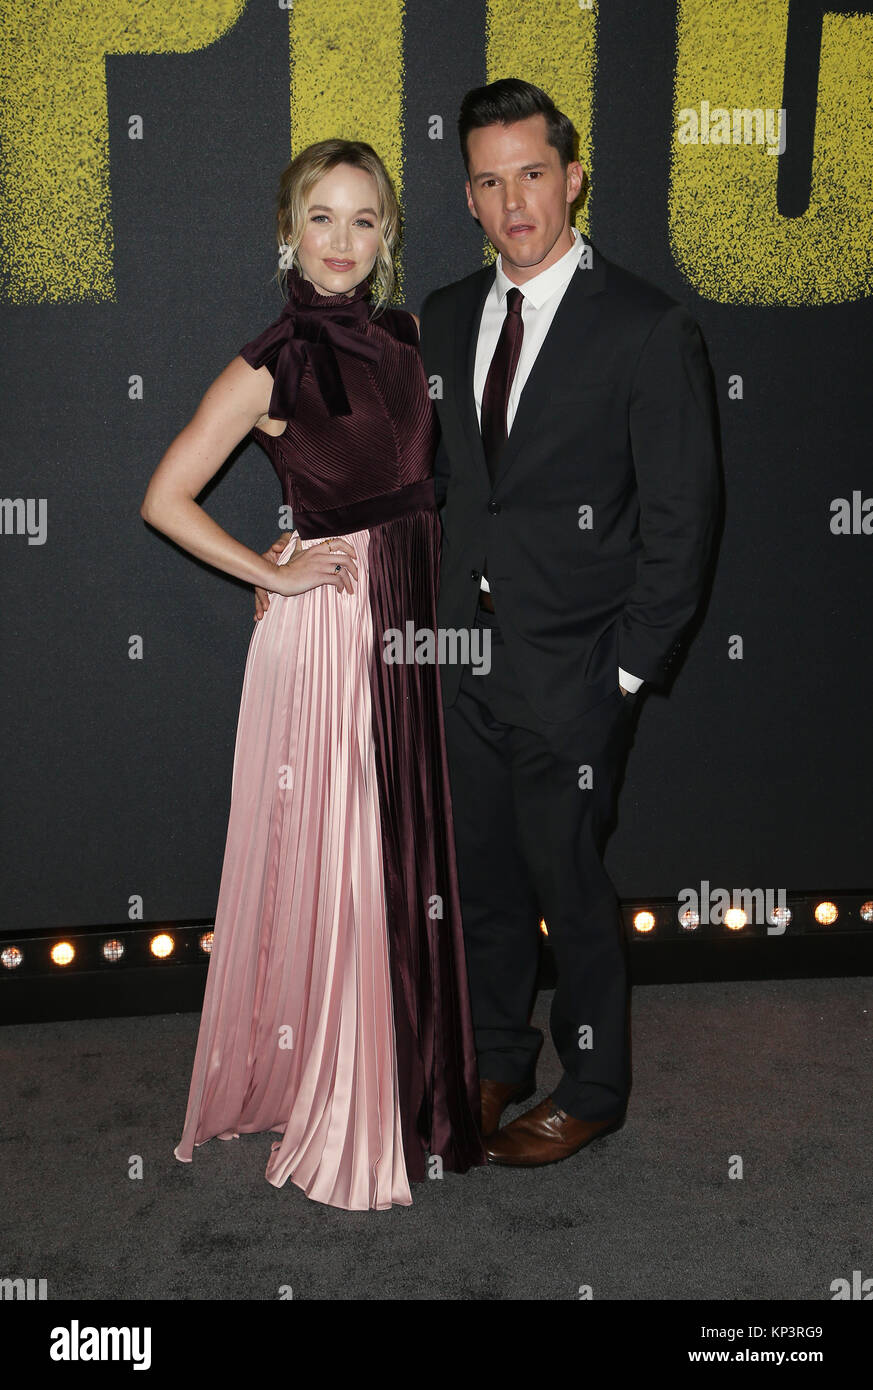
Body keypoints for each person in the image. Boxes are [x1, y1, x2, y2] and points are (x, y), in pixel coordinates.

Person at [256, 80, 721, 1170]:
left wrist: (624, 677)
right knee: (478, 881)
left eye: (532, 172)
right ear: (466, 195)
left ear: (574, 178)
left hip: (576, 669)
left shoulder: (650, 327)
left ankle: (594, 1085)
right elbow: (396, 469)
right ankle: (495, 1055)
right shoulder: (445, 317)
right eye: (488, 178)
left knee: (570, 880)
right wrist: (300, 532)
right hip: (452, 660)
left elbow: (683, 521)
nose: (514, 200)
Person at [141, 138, 485, 1211]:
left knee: (400, 850)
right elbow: (165, 496)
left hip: (409, 619)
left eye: (365, 219)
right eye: (322, 218)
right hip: (332, 629)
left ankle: (397, 1080)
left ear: (388, 238)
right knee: (347, 859)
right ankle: (340, 1098)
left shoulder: (407, 336)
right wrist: (273, 571)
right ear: (290, 231)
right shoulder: (273, 358)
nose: (342, 241)